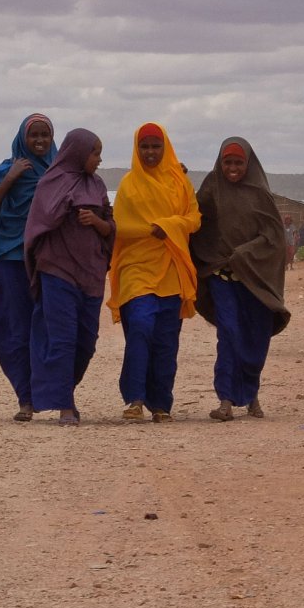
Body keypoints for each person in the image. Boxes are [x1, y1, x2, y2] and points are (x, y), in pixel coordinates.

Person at [191, 138, 291, 421]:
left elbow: (273, 237)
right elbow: (195, 221)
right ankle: (225, 399)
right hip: (222, 276)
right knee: (229, 333)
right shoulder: (212, 188)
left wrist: (245, 252)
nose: (232, 168)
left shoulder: (260, 194)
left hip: (256, 279)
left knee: (255, 336)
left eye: (238, 163)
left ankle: (251, 394)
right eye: (227, 162)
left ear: (248, 164)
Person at [108, 122, 201, 423]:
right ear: (137, 149)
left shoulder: (179, 182)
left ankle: (161, 403)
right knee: (140, 327)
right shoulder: (128, 185)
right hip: (136, 268)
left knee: (166, 338)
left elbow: (194, 218)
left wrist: (170, 226)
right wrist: (151, 230)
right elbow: (118, 227)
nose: (150, 152)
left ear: (165, 148)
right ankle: (134, 399)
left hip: (172, 269)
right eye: (144, 147)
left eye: (155, 146)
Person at [0, 114, 57, 421]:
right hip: (10, 258)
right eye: (34, 136)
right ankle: (25, 397)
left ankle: (55, 394)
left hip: (48, 261)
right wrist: (10, 179)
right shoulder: (5, 171)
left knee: (49, 328)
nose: (40, 141)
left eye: (45, 135)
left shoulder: (60, 171)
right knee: (12, 329)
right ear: (23, 138)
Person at [24, 129, 114, 426]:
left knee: (87, 341)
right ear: (78, 152)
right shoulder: (52, 182)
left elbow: (110, 227)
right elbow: (42, 219)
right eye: (95, 153)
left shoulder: (98, 185)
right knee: (62, 338)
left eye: (99, 153)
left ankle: (62, 389)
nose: (99, 160)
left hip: (91, 273)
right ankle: (65, 405)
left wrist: (96, 220)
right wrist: (67, 206)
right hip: (57, 271)